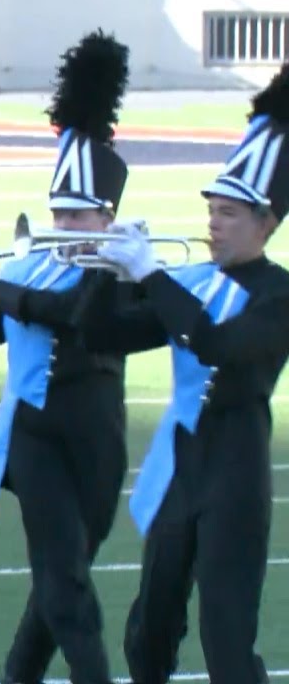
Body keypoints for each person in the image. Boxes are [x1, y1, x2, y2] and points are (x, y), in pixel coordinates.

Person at [0, 31, 132, 684]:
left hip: (98, 442)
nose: (63, 227)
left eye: (78, 217)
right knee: (65, 584)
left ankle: (18, 676)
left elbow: (67, 315)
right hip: (35, 437)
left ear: (107, 218)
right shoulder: (31, 267)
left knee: (60, 582)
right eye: (58, 214)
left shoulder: (121, 273)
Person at [76, 61, 289, 684]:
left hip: (236, 477)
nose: (213, 223)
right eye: (212, 209)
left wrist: (150, 274)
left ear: (267, 223)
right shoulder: (191, 280)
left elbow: (217, 343)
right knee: (147, 638)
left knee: (227, 646)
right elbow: (104, 336)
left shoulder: (277, 294)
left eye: (230, 213)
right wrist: (106, 272)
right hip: (180, 474)